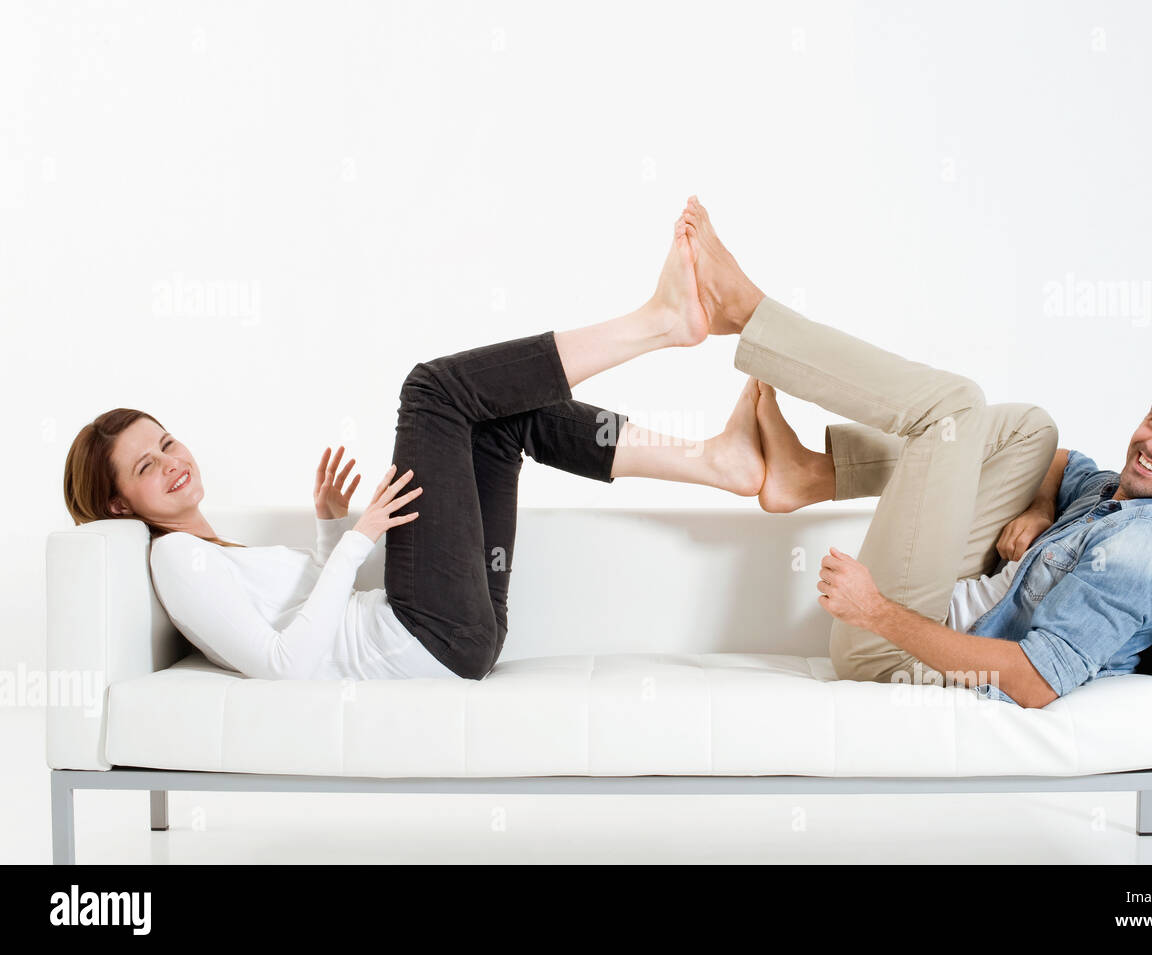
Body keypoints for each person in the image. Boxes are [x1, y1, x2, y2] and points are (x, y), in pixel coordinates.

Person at [62, 210, 767, 681]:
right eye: (148, 466)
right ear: (121, 502)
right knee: (433, 389)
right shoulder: (176, 558)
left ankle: (716, 461)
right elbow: (287, 664)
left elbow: (306, 615)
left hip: (452, 635)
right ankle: (660, 322)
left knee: (502, 417)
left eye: (168, 441)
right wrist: (355, 541)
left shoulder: (203, 550)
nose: (174, 462)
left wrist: (333, 525)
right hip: (425, 636)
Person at [676, 195, 1152, 708]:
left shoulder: (1140, 548)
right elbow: (1058, 458)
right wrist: (1039, 509)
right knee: (1032, 428)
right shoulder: (1121, 497)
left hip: (898, 654)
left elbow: (1035, 683)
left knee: (955, 406)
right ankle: (808, 475)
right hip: (938, 600)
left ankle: (748, 313)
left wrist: (876, 611)